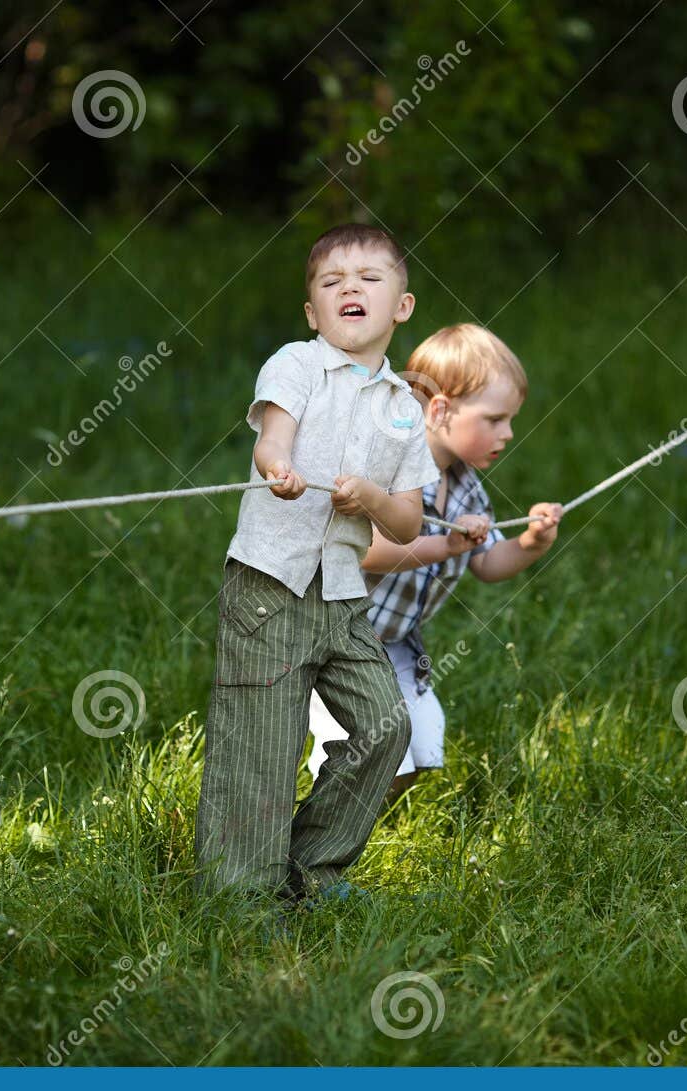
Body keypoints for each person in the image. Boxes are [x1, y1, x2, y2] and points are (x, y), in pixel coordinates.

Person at [196, 224, 440, 900]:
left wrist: (370, 500)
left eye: (368, 279)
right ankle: (238, 895)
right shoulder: (296, 365)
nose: (349, 289)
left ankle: (309, 867)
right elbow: (273, 440)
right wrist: (279, 467)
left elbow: (408, 519)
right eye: (332, 283)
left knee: (387, 725)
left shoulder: (403, 409)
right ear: (313, 313)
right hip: (270, 585)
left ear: (403, 306)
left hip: (341, 594)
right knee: (262, 745)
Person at [306, 323, 562, 809]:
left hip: (398, 640)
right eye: (495, 419)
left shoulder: (467, 487)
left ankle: (366, 830)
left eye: (510, 420)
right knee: (373, 750)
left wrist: (531, 541)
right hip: (340, 638)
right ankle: (321, 836)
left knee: (421, 745)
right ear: (440, 410)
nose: (507, 433)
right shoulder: (393, 469)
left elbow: (487, 563)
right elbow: (371, 551)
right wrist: (445, 546)